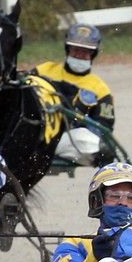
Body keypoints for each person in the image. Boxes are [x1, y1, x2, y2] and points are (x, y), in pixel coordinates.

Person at [31, 23, 115, 166]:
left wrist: (79, 118)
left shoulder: (100, 89)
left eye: (85, 51)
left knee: (102, 148)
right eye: (76, 49)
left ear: (92, 54)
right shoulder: (43, 70)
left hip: (66, 139)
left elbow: (104, 129)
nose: (79, 55)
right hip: (35, 132)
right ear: (68, 49)